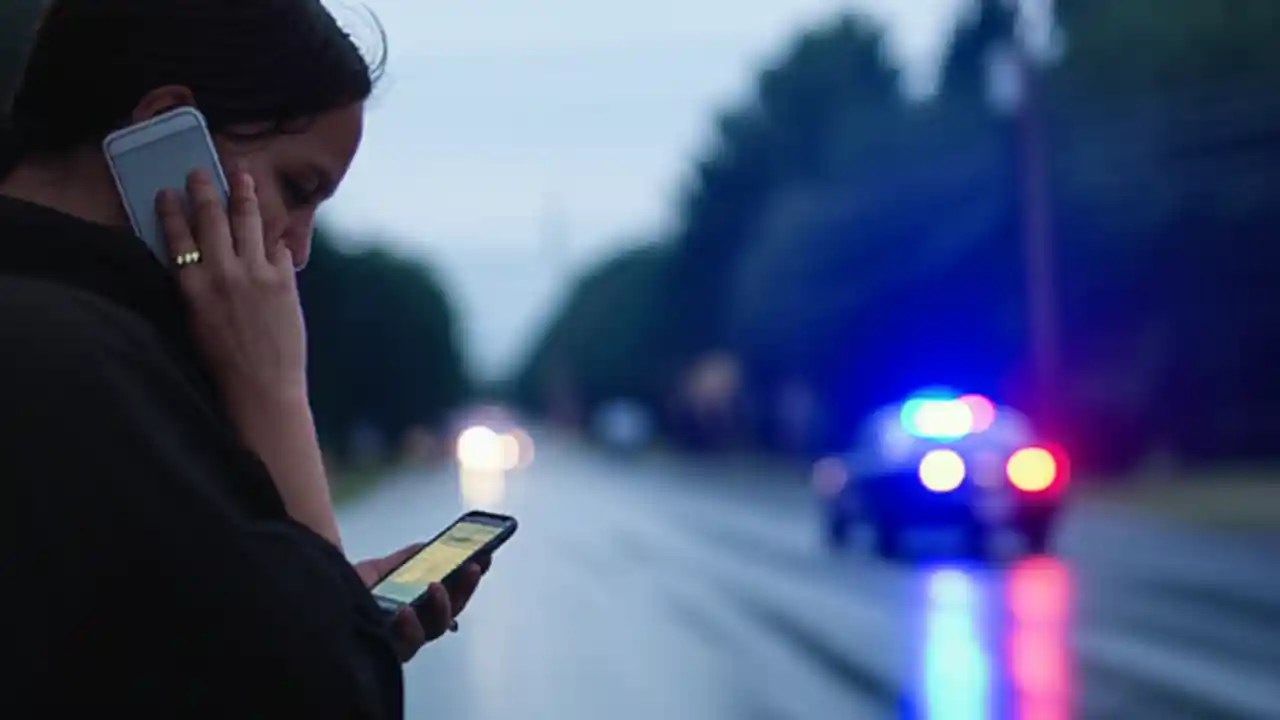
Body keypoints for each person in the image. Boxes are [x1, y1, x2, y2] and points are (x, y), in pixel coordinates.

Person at [0, 1, 487, 716]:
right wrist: (275, 391)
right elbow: (333, 694)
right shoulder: (82, 364)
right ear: (161, 130)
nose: (299, 251)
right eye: (298, 189)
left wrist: (316, 593)